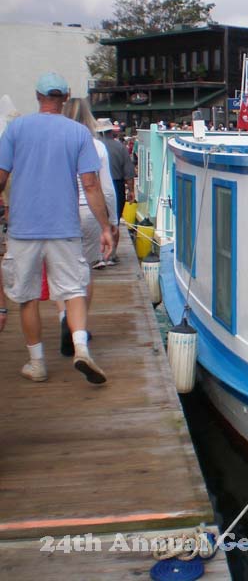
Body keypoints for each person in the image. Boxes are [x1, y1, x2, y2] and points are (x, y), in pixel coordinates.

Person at [0, 72, 112, 384]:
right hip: (64, 225)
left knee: (27, 296)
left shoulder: (16, 129)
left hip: (23, 226)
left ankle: (37, 364)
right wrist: (105, 227)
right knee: (73, 289)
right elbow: (90, 185)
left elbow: (0, 176)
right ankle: (81, 348)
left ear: (38, 96)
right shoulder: (78, 133)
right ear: (65, 98)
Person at [58, 98, 118, 355]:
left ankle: (64, 317)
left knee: (61, 270)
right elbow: (105, 188)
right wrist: (112, 221)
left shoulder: (56, 142)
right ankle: (80, 326)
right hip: (90, 213)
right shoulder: (96, 146)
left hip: (61, 211)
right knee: (85, 270)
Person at [96, 118, 135, 263]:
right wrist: (131, 191)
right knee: (114, 220)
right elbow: (129, 172)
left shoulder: (93, 146)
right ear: (111, 130)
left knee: (98, 220)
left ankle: (98, 254)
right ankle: (112, 254)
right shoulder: (120, 147)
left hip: (97, 186)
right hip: (116, 186)